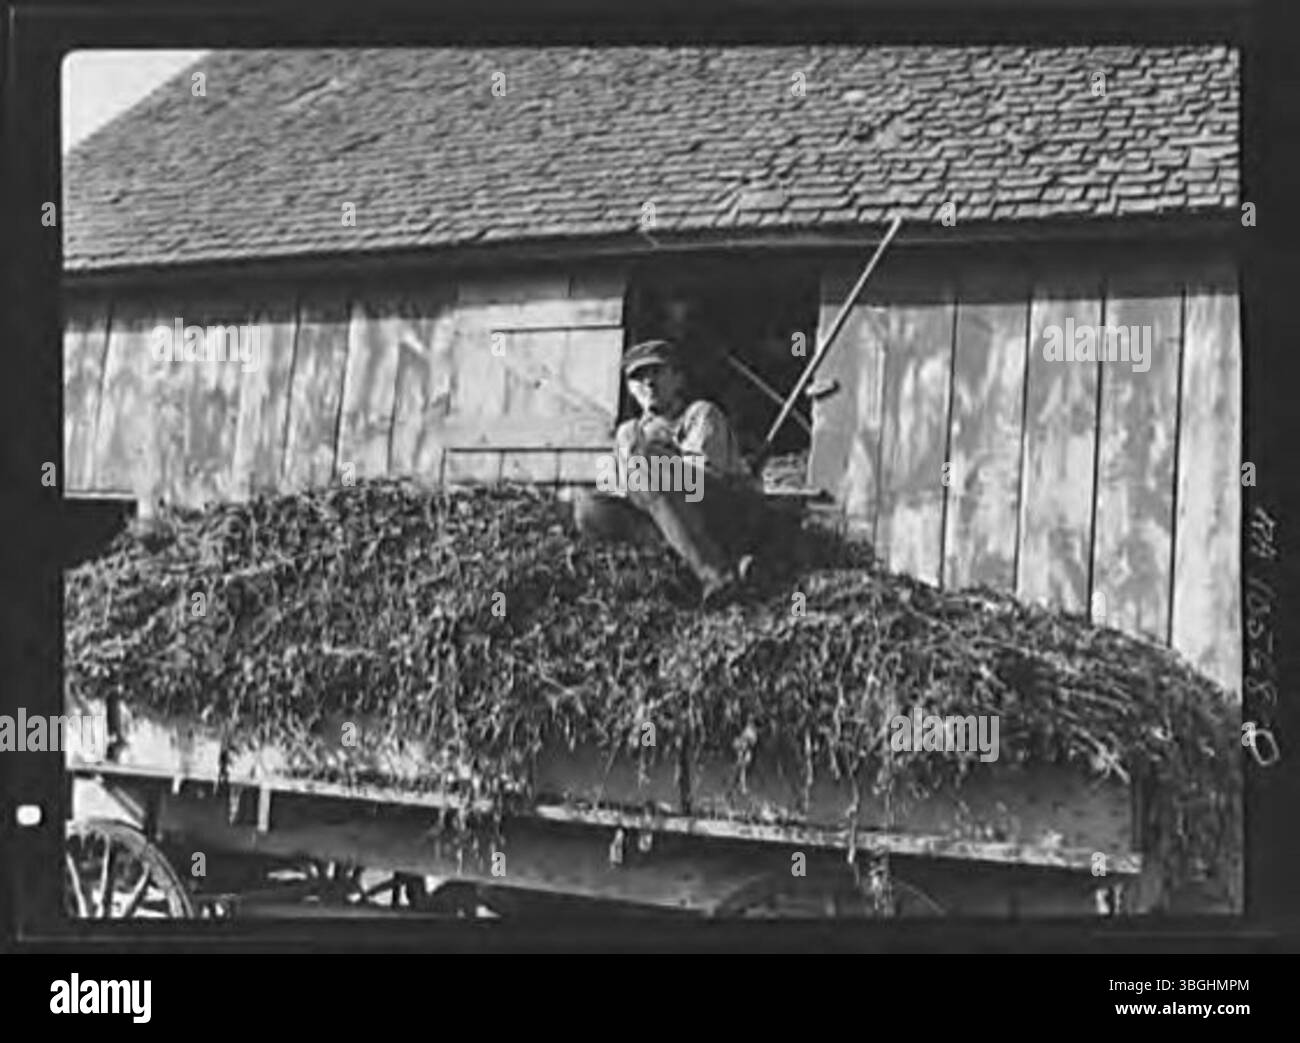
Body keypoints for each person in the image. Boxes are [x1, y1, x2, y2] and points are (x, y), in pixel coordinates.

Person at [573, 339, 779, 605]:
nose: (648, 383)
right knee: (588, 506)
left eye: (657, 372)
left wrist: (660, 455)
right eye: (638, 377)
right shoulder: (629, 431)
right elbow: (622, 486)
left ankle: (716, 575)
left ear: (677, 378)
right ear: (631, 390)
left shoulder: (701, 414)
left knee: (647, 463)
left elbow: (702, 482)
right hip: (663, 514)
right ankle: (684, 557)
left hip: (723, 510)